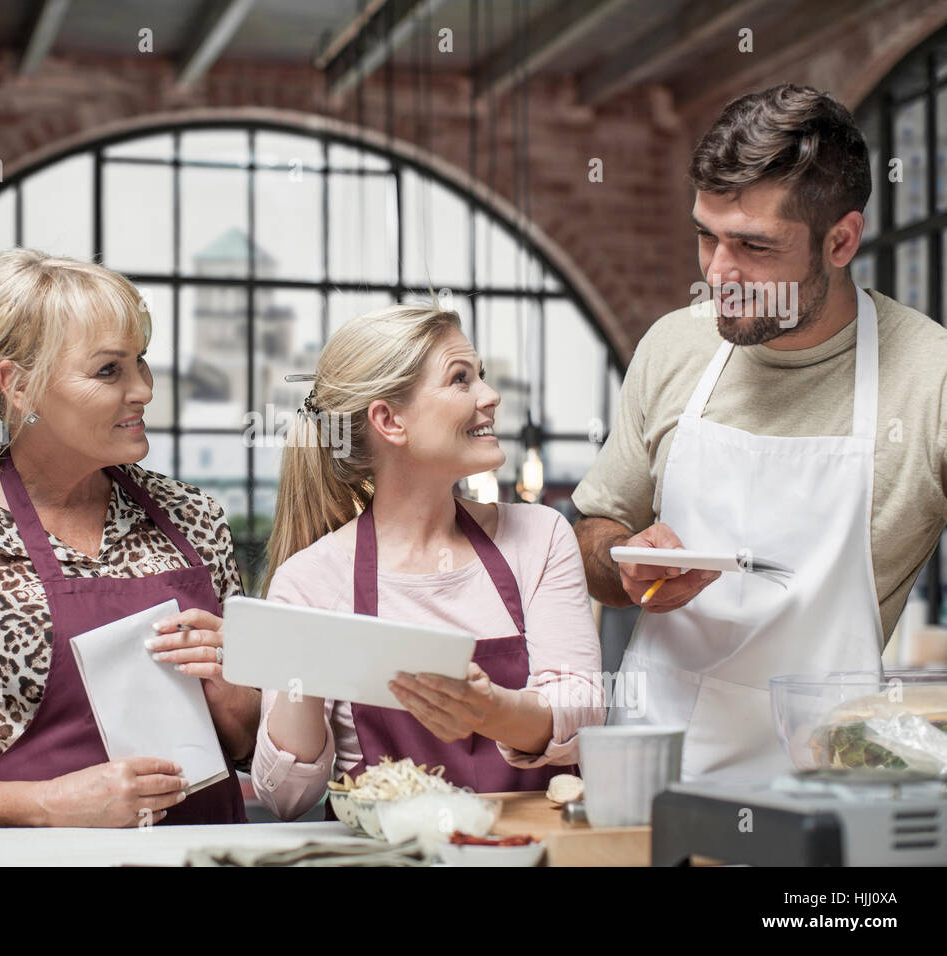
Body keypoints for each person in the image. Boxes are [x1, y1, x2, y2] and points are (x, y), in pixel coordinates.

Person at [572, 84, 947, 782]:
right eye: (705, 236)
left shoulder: (930, 377)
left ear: (841, 240)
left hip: (829, 787)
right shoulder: (673, 347)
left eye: (752, 245)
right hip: (655, 773)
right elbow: (595, 532)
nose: (719, 273)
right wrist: (622, 564)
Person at [0, 249, 257, 826]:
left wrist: (234, 694)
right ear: (21, 386)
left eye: (141, 363)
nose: (143, 390)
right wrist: (49, 804)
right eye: (109, 370)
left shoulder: (195, 520)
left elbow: (252, 744)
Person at [252, 305, 605, 820]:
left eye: (480, 375)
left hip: (533, 851)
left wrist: (492, 711)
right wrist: (306, 663)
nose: (490, 396)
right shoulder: (310, 581)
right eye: (461, 379)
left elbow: (583, 708)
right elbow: (285, 797)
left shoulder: (540, 536)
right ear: (389, 420)